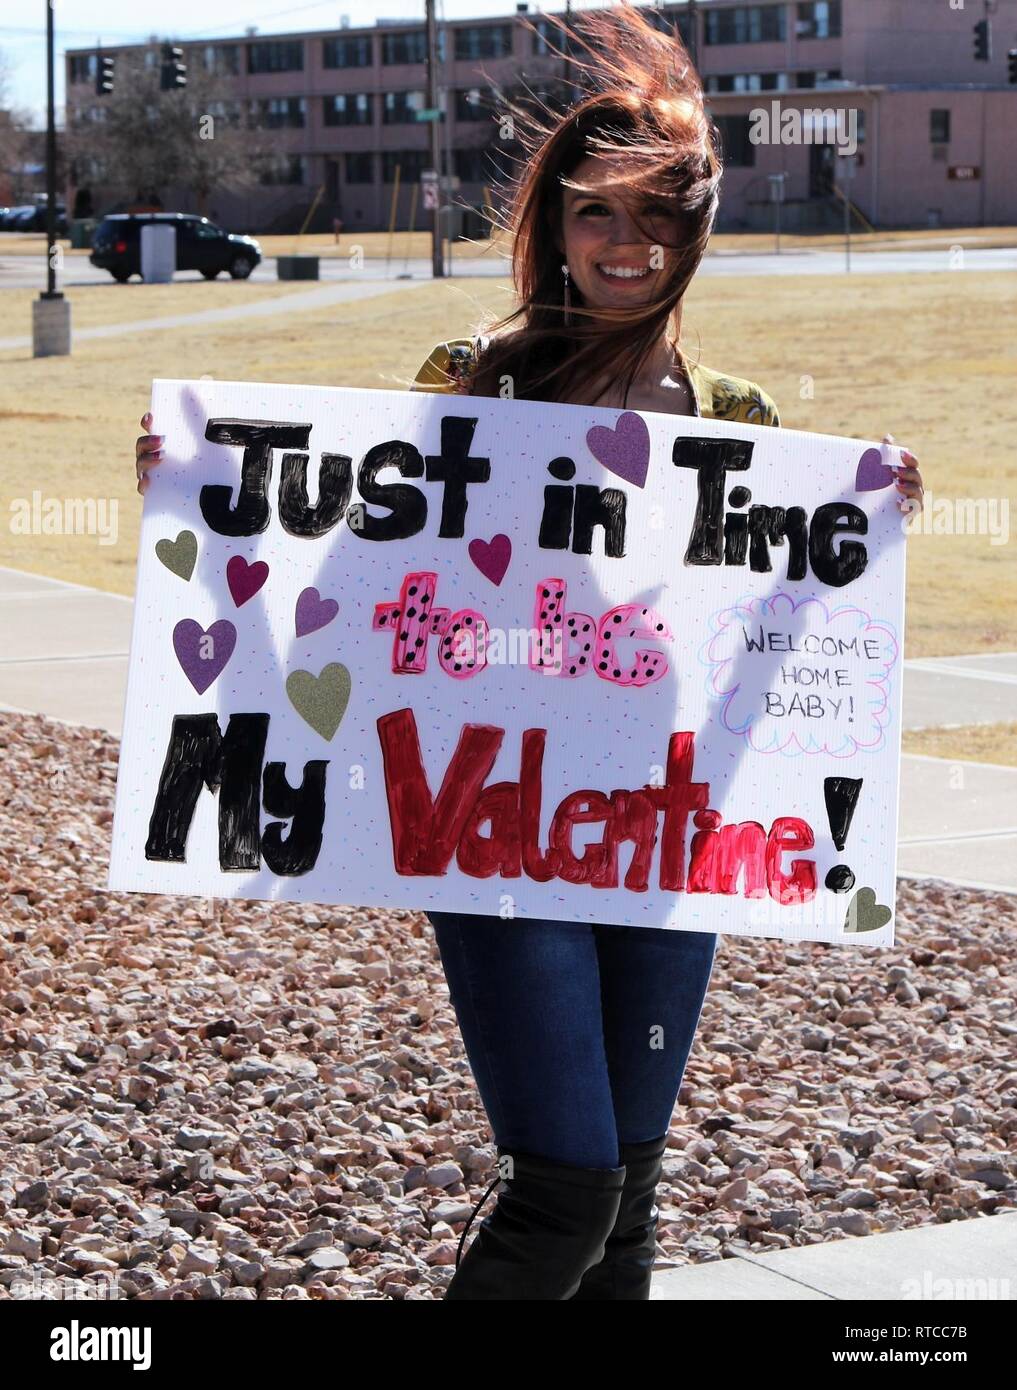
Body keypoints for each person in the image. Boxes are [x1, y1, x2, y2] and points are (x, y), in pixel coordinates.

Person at [134, 4, 923, 1301]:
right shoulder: (476, 386)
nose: (628, 246)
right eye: (598, 213)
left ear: (696, 232)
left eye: (658, 215)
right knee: (565, 1193)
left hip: (664, 838)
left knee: (630, 1205)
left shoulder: (740, 421)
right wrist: (209, 504)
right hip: (495, 830)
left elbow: (771, 659)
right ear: (554, 223)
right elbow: (352, 587)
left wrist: (859, 530)